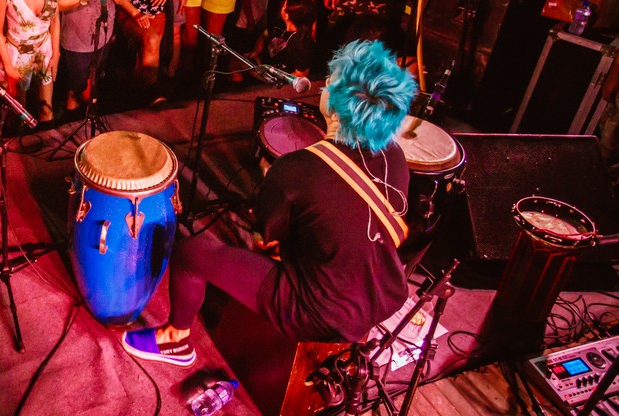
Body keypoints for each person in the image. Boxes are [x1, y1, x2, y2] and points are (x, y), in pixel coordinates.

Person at [123, 40, 417, 363]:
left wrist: (272, 180)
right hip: (382, 297)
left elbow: (267, 235)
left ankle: (174, 340)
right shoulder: (396, 156)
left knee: (191, 253)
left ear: (336, 104)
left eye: (330, 81)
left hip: (318, 311)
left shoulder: (297, 168)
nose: (325, 84)